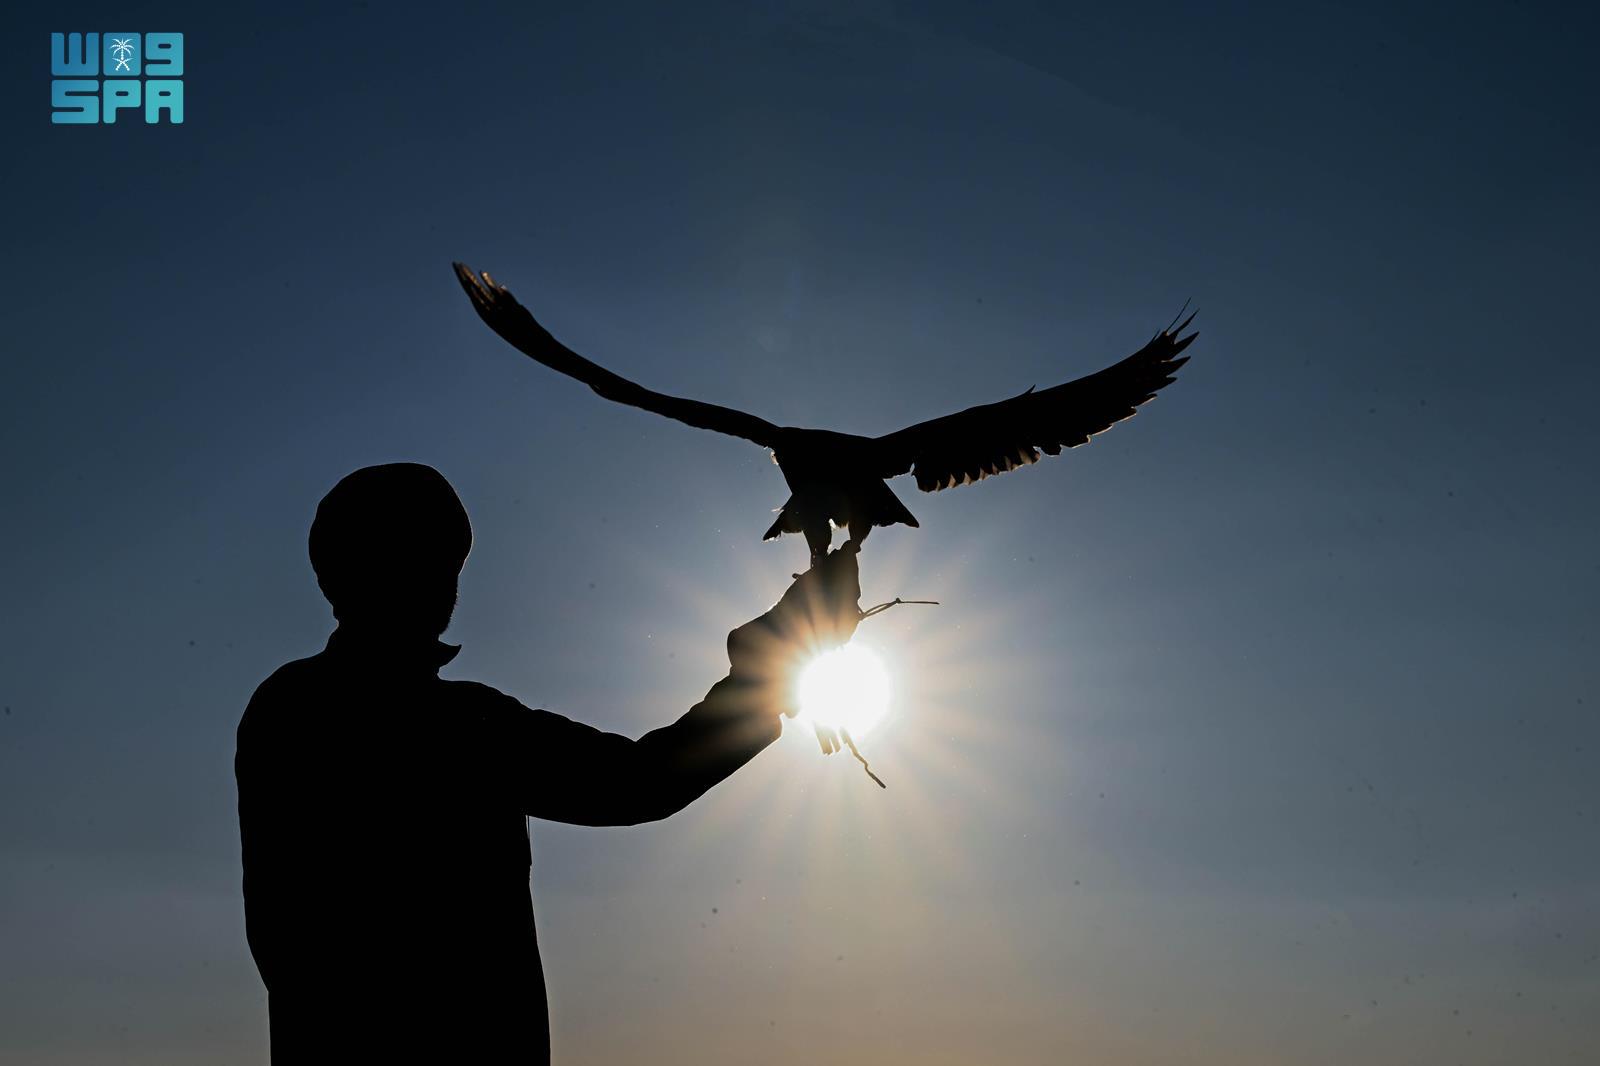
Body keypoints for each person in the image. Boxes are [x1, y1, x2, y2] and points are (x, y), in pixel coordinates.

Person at [235, 462, 861, 1063]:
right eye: (437, 561)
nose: (447, 584)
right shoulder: (461, 724)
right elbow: (639, 783)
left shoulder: (286, 709)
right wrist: (764, 671)